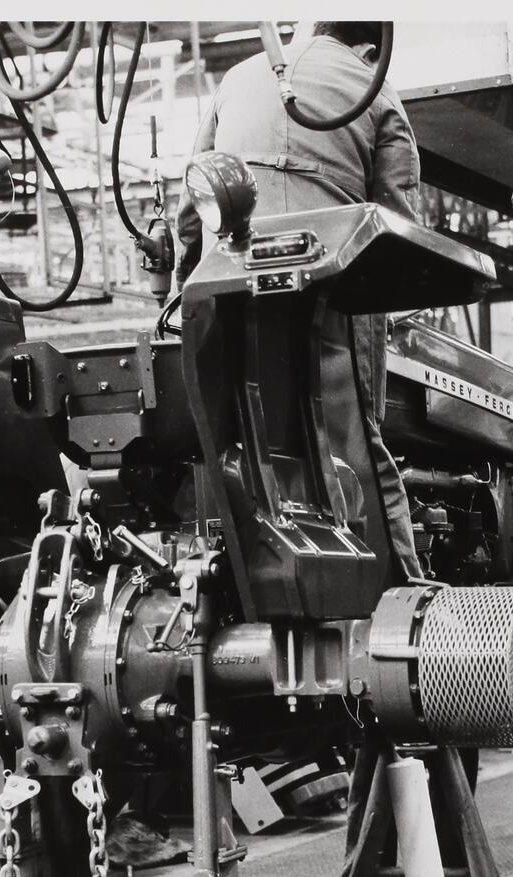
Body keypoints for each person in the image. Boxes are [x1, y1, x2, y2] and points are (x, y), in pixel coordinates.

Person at [176, 20, 423, 583]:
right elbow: (401, 232)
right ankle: (406, 582)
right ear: (370, 49)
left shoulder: (237, 76)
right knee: (358, 440)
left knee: (229, 428)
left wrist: (179, 286)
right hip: (325, 293)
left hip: (229, 282)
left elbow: (191, 205)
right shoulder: (376, 90)